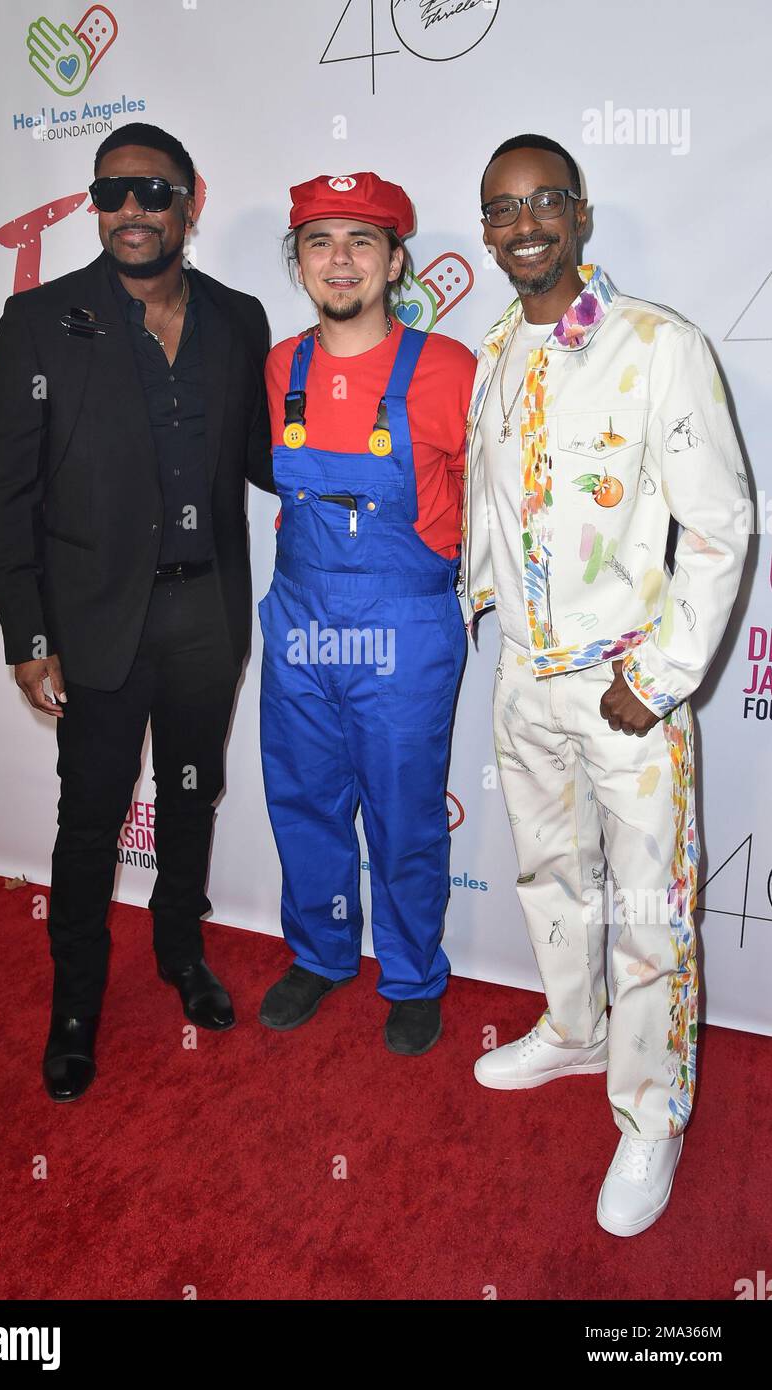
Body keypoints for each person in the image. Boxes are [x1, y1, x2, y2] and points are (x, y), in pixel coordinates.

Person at [461, 133, 748, 1233]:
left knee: (644, 911)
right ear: (483, 230)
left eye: (543, 203)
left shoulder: (656, 345)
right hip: (524, 678)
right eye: (499, 209)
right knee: (547, 877)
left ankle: (651, 1116)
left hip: (626, 689)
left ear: (580, 216)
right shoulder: (495, 347)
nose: (522, 225)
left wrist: (665, 673)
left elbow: (718, 523)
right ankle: (575, 1032)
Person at [0, 123, 275, 1102]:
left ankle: (181, 955)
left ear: (187, 201)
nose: (132, 212)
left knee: (190, 795)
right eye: (112, 194)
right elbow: (5, 490)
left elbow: (268, 461)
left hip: (206, 615)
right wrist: (27, 633)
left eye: (153, 192)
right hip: (97, 620)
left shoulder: (239, 319)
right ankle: (73, 1009)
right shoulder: (40, 318)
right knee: (89, 820)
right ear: (93, 203)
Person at [258, 172, 476, 1055]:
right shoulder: (283, 365)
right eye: (320, 242)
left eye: (360, 243)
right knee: (303, 800)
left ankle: (414, 973)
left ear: (394, 262)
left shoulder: (449, 367)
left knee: (404, 810)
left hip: (405, 628)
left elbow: (492, 497)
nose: (339, 260)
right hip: (302, 618)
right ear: (300, 263)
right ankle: (319, 955)